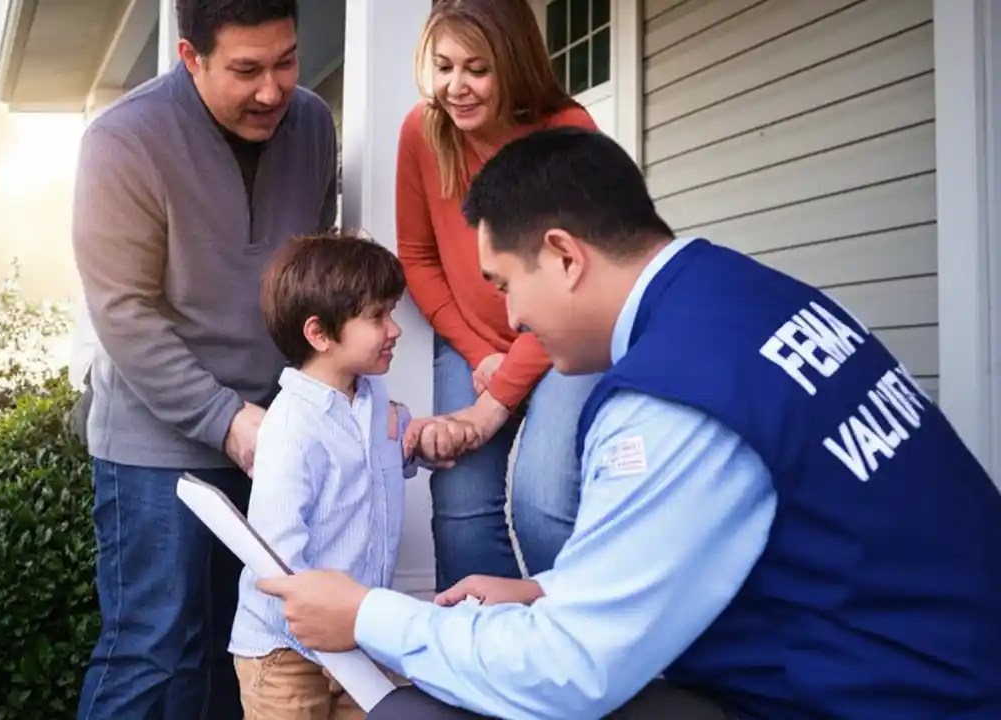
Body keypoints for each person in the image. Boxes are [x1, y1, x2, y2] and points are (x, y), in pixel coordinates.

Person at [258, 127, 1001, 719]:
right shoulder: (754, 298)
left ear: (564, 256)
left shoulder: (671, 393)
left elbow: (569, 673)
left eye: (507, 285)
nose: (511, 317)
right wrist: (552, 590)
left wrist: (369, 617)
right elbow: (723, 534)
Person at [69, 0, 339, 716]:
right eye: (246, 70)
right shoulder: (121, 142)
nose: (273, 91)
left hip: (272, 436)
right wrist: (227, 419)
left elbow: (309, 283)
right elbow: (123, 312)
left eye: (286, 61)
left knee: (243, 654)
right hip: (154, 444)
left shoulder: (312, 123)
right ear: (190, 57)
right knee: (155, 655)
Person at [396, 0, 603, 587]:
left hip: (564, 340)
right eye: (443, 67)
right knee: (460, 509)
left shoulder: (568, 133)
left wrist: (495, 400)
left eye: (477, 70)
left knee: (543, 504)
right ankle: (482, 663)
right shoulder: (422, 131)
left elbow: (575, 279)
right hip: (472, 346)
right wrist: (478, 352)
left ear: (512, 63)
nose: (455, 87)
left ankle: (575, 648)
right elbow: (418, 256)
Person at [229, 233, 467, 718]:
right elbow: (277, 559)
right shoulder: (292, 425)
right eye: (378, 316)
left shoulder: (371, 398)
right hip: (285, 652)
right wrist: (326, 633)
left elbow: (370, 473)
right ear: (320, 334)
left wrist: (416, 448)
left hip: (353, 635)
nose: (395, 329)